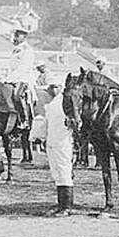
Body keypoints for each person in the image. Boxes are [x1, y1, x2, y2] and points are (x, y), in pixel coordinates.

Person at [42, 82, 75, 215]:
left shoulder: (66, 101)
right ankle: (61, 205)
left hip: (63, 141)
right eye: (50, 88)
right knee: (56, 173)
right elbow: (46, 122)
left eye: (55, 87)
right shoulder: (52, 103)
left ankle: (67, 207)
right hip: (52, 141)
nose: (52, 90)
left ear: (60, 88)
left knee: (64, 172)